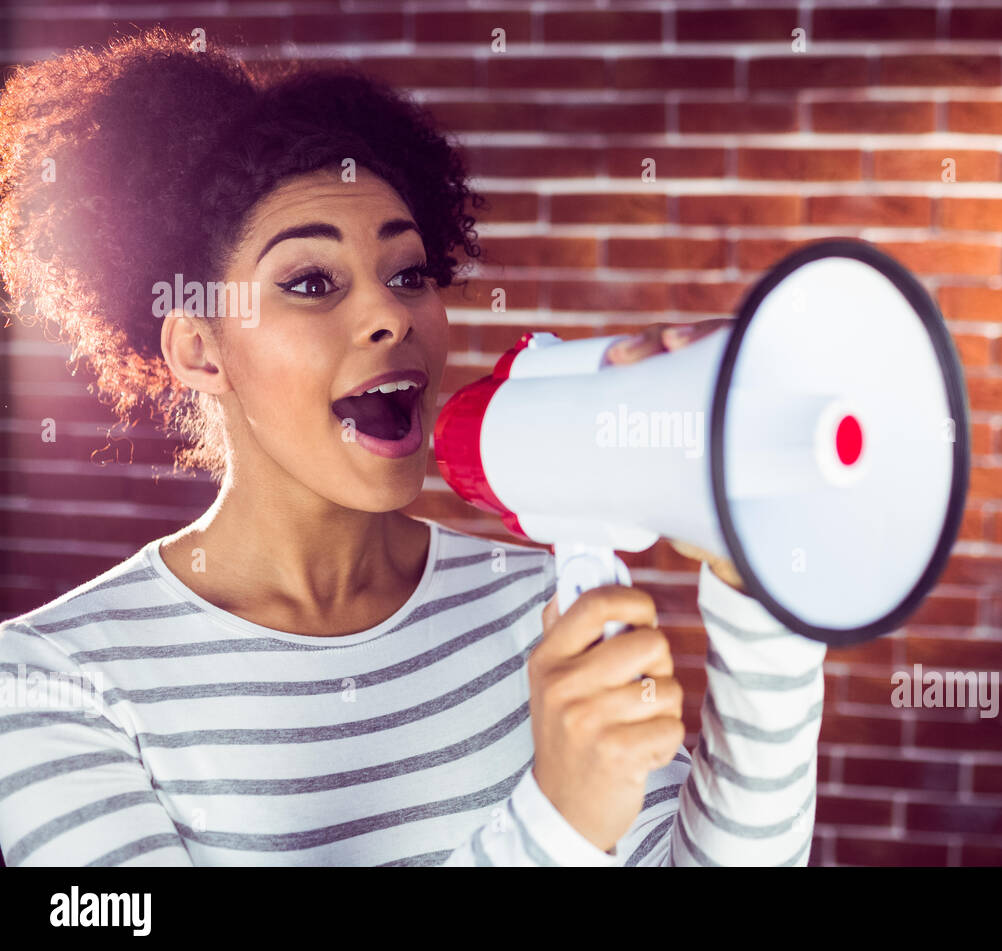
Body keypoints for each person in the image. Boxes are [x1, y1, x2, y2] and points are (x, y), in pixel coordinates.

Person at [0, 28, 825, 866]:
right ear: (200, 350)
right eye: (310, 282)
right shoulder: (50, 681)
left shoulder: (536, 605)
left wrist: (762, 599)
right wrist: (560, 821)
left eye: (408, 274)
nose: (390, 315)